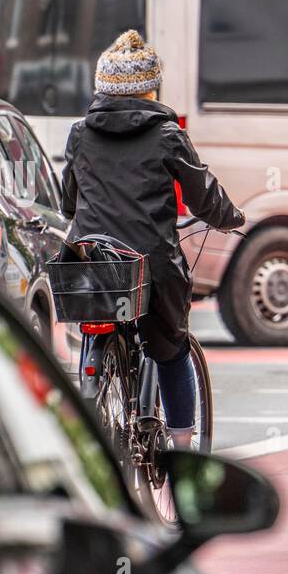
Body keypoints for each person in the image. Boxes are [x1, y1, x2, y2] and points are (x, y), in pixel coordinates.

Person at [62, 30, 244, 448]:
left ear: (101, 87)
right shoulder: (167, 135)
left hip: (91, 262)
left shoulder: (80, 134)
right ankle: (184, 456)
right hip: (152, 264)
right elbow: (203, 197)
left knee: (96, 313)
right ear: (150, 89)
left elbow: (69, 200)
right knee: (172, 349)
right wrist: (230, 218)